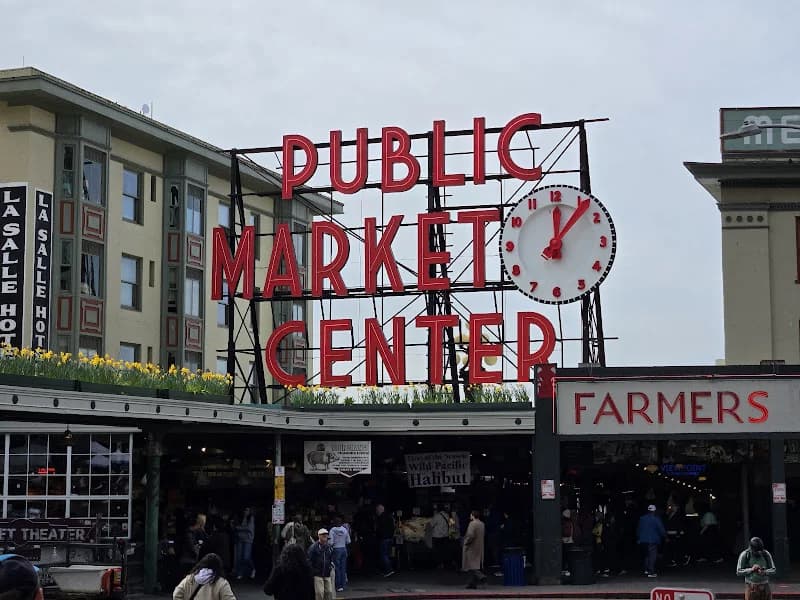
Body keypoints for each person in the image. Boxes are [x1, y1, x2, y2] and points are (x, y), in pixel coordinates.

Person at [637, 504, 666, 578]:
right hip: (652, 540)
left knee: (646, 555)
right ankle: (651, 572)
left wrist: (639, 538)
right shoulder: (656, 519)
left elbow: (639, 529)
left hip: (643, 540)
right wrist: (664, 536)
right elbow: (661, 529)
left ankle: (646, 569)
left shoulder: (642, 518)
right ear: (654, 511)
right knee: (652, 556)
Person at [307, 528, 335, 600]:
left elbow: (331, 557)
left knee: (329, 592)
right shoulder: (313, 547)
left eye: (326, 535)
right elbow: (309, 560)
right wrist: (313, 571)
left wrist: (331, 564)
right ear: (319, 536)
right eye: (323, 535)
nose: (325, 537)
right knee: (319, 593)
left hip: (327, 573)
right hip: (317, 573)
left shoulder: (329, 547)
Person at [463, 510, 486, 589]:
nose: (470, 516)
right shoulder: (482, 524)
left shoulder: (472, 524)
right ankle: (472, 584)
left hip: (472, 547)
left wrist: (466, 542)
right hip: (479, 547)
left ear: (473, 515)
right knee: (475, 565)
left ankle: (481, 576)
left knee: (471, 565)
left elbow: (470, 535)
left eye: (470, 515)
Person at [329, 516, 351, 592]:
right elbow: (348, 541)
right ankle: (343, 585)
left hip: (336, 549)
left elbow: (330, 542)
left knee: (337, 568)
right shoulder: (344, 529)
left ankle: (338, 586)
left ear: (334, 522)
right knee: (343, 567)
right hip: (344, 549)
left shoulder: (332, 530)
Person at [234, 507, 256, 580]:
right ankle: (240, 573)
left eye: (247, 510)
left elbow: (249, 528)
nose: (245, 511)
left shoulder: (251, 518)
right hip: (240, 539)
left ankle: (252, 569)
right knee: (239, 557)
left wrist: (239, 528)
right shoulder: (240, 518)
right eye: (244, 510)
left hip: (248, 540)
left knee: (246, 557)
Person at [375, 504, 395, 577]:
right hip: (389, 538)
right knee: (387, 554)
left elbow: (379, 529)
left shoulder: (381, 518)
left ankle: (389, 570)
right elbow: (393, 527)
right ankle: (387, 569)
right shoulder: (389, 517)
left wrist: (378, 535)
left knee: (384, 555)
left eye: (377, 510)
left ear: (380, 510)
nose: (376, 512)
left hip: (384, 538)